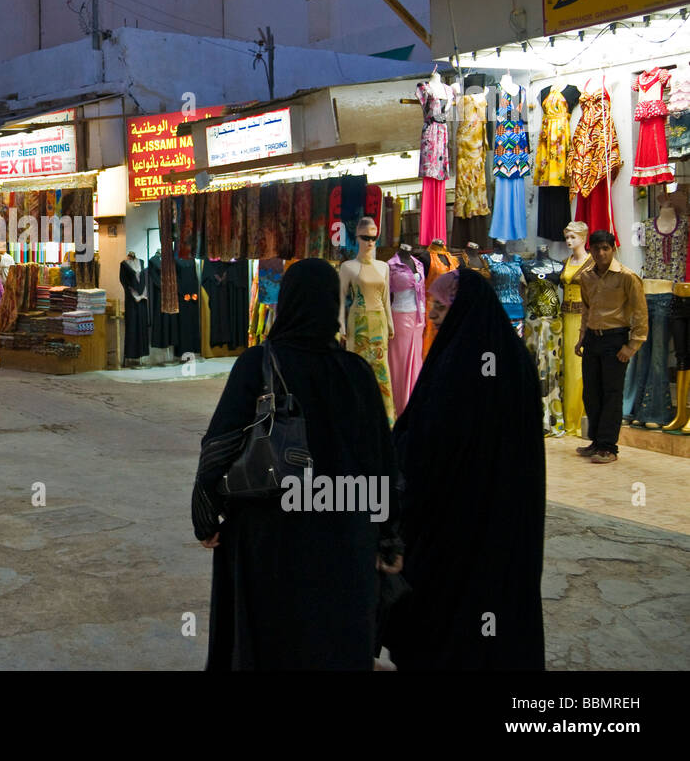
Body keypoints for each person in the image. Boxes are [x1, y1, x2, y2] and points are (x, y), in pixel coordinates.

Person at [192, 258, 402, 670]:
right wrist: (388, 537)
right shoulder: (356, 372)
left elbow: (219, 444)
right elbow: (383, 462)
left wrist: (206, 516)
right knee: (331, 640)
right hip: (343, 534)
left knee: (270, 642)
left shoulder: (259, 363)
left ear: (285, 302)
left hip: (270, 535)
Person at [387, 269, 545, 670]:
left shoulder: (456, 367)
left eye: (442, 307)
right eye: (434, 306)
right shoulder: (515, 360)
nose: (435, 316)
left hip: (456, 518)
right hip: (504, 516)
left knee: (449, 609)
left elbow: (429, 442)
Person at [576, 230, 648, 463]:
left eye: (605, 248)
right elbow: (586, 309)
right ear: (591, 250)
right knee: (591, 393)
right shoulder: (586, 276)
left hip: (615, 340)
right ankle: (596, 441)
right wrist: (582, 337)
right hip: (593, 340)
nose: (601, 253)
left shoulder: (627, 277)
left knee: (612, 393)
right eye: (596, 248)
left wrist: (632, 346)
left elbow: (640, 313)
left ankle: (609, 447)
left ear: (613, 249)